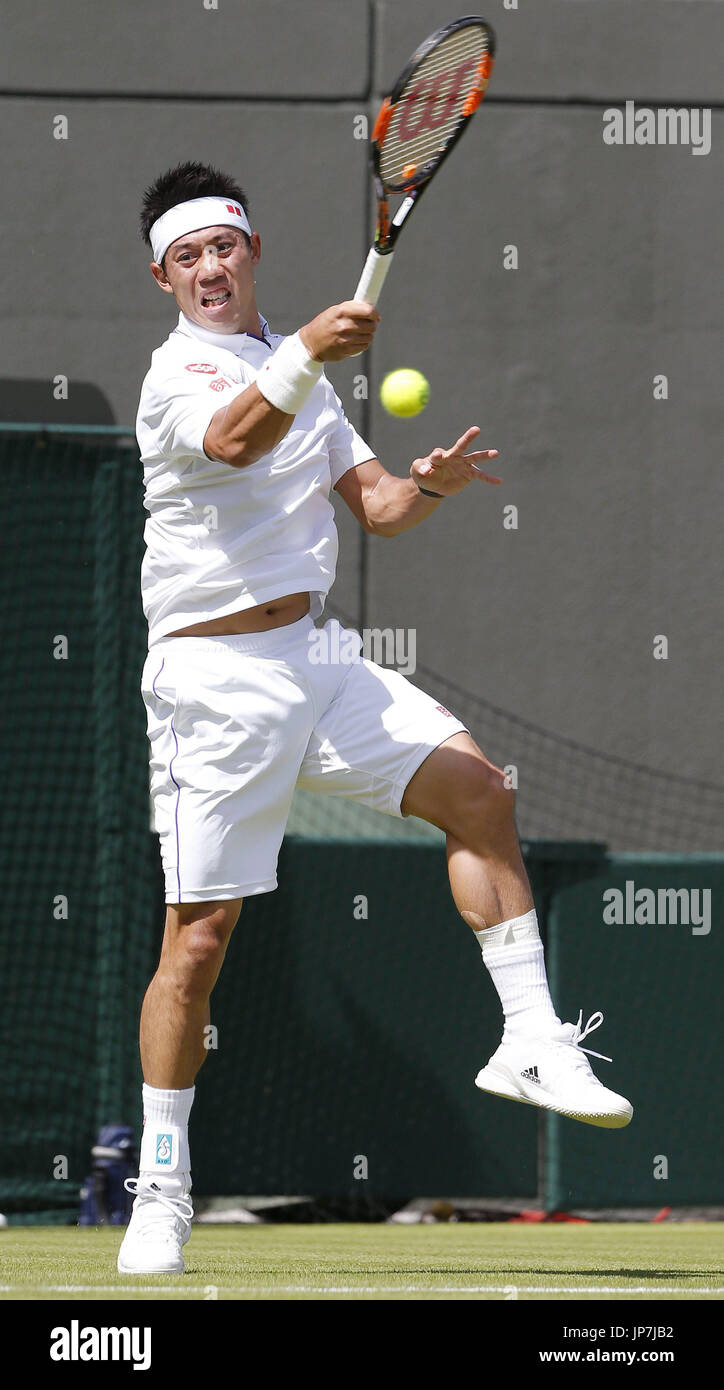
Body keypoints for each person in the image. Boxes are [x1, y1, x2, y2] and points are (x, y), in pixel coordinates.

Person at [118, 161, 632, 1276]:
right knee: (197, 944)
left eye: (224, 246)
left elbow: (382, 508)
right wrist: (309, 350)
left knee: (481, 791)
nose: (209, 268)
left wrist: (433, 482)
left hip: (318, 658)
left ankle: (531, 1039)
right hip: (214, 681)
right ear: (163, 274)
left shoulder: (293, 373)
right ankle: (159, 1185)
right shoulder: (180, 379)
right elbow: (239, 442)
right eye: (186, 255)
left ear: (250, 249)